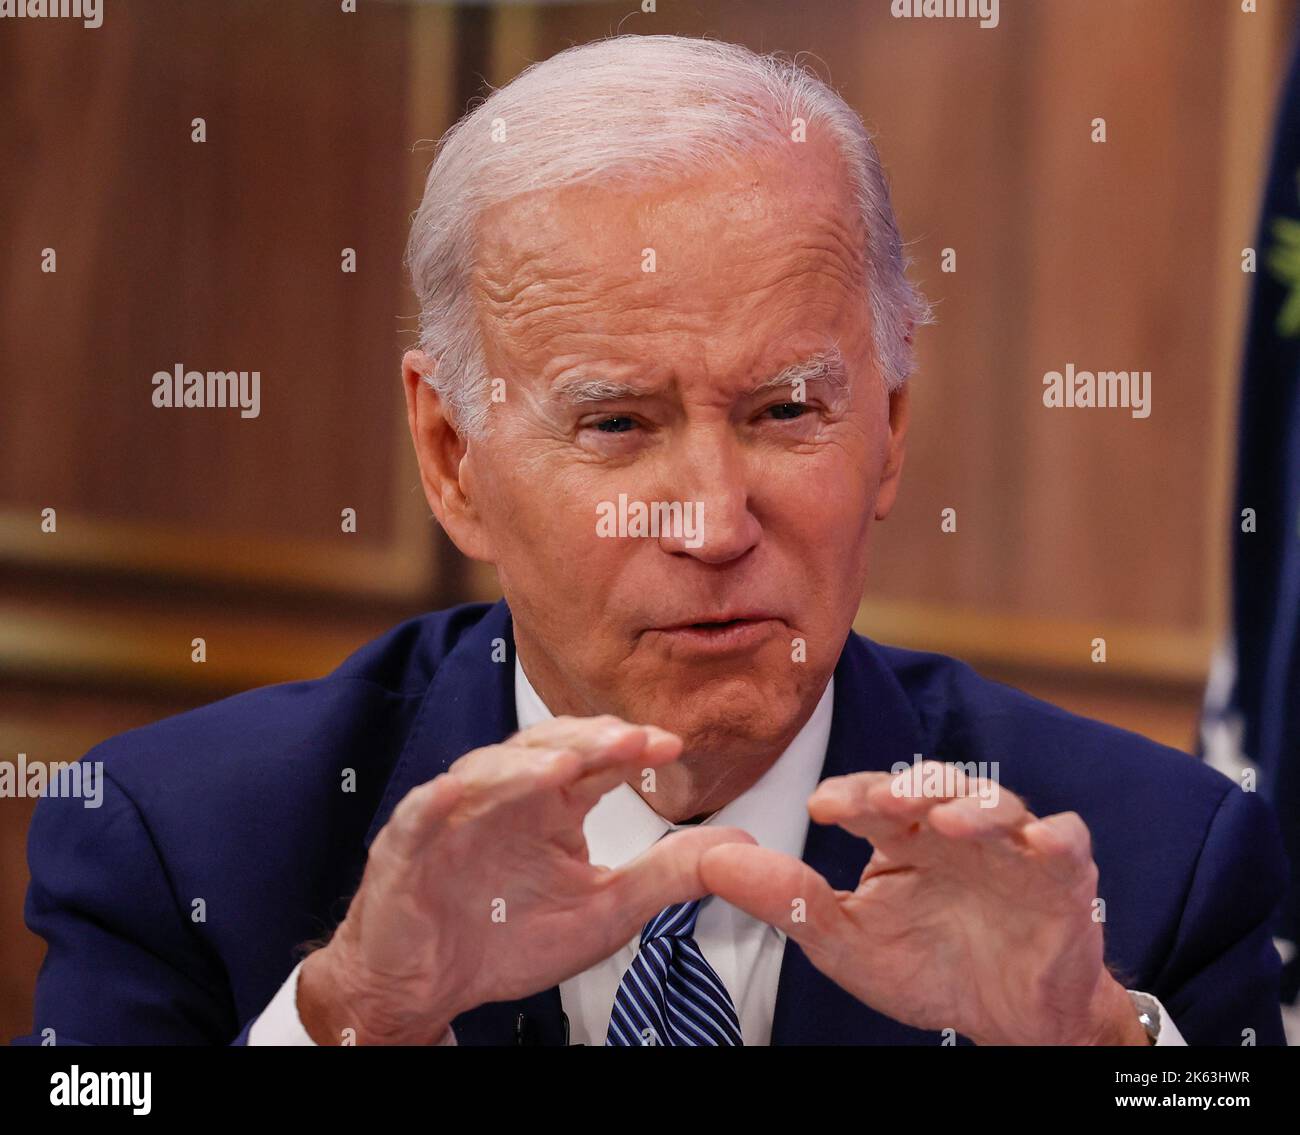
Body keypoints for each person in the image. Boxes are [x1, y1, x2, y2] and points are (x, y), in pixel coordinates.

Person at [17, 34, 1287, 1047]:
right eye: (617, 423)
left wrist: (1090, 1047)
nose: (715, 524)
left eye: (787, 411)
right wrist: (351, 1017)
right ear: (452, 458)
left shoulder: (1148, 861)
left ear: (890, 429)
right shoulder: (185, 837)